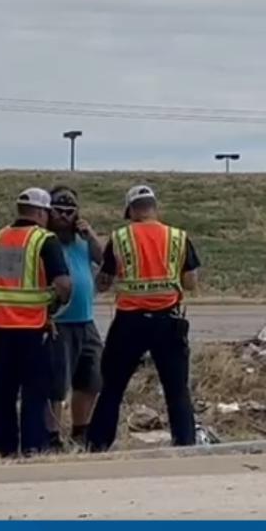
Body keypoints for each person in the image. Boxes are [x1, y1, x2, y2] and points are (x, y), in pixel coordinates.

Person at [86, 185, 202, 452]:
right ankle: (185, 447)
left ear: (130, 211)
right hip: (168, 321)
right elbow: (190, 281)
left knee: (112, 389)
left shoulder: (120, 238)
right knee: (177, 391)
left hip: (129, 322)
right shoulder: (178, 237)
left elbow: (104, 282)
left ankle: (97, 446)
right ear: (155, 208)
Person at [0, 188, 73, 457]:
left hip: (3, 331)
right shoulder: (44, 240)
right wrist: (55, 305)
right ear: (42, 212)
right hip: (34, 330)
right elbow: (62, 284)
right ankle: (32, 447)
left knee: (2, 392)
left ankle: (3, 449)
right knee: (35, 392)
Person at [45, 186, 105, 447]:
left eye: (70, 212)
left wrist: (89, 234)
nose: (64, 217)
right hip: (58, 322)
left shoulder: (81, 242)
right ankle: (52, 434)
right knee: (56, 384)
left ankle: (81, 430)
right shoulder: (45, 241)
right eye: (58, 211)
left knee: (91, 380)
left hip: (86, 320)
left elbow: (105, 260)